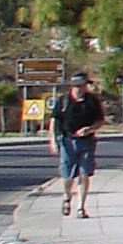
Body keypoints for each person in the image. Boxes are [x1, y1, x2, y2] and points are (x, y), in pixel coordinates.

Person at [47, 71, 106, 220]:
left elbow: (100, 120)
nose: (79, 88)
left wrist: (91, 129)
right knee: (68, 175)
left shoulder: (92, 101)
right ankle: (67, 197)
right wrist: (53, 141)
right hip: (67, 141)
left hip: (87, 141)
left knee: (84, 174)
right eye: (76, 86)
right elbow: (54, 121)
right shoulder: (64, 101)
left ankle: (81, 207)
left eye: (82, 85)